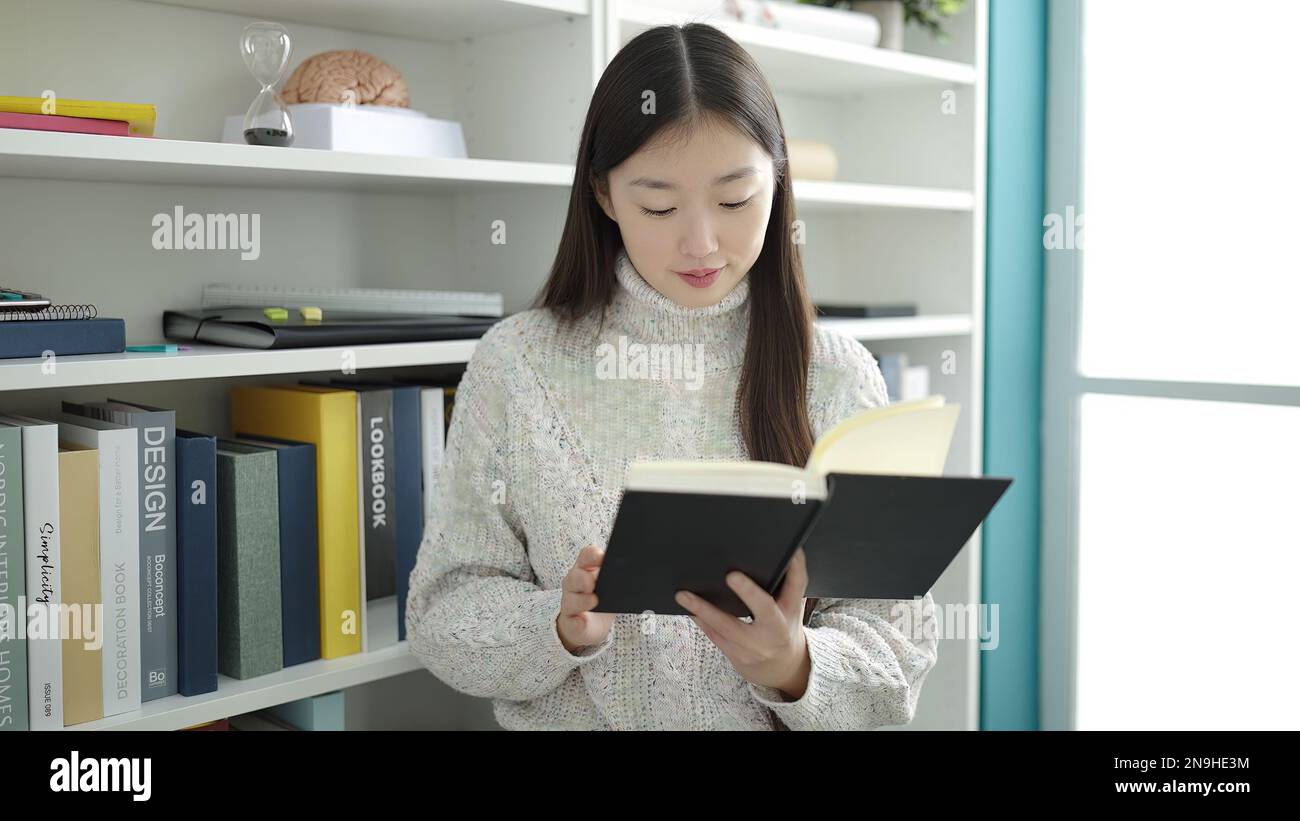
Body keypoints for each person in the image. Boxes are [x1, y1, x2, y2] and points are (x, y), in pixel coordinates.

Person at [405, 22, 938, 730]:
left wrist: (795, 663)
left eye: (734, 199)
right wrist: (556, 627)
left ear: (777, 179)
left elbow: (897, 660)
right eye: (658, 205)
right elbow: (442, 612)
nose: (701, 243)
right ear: (602, 193)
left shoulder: (838, 375)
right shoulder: (518, 365)